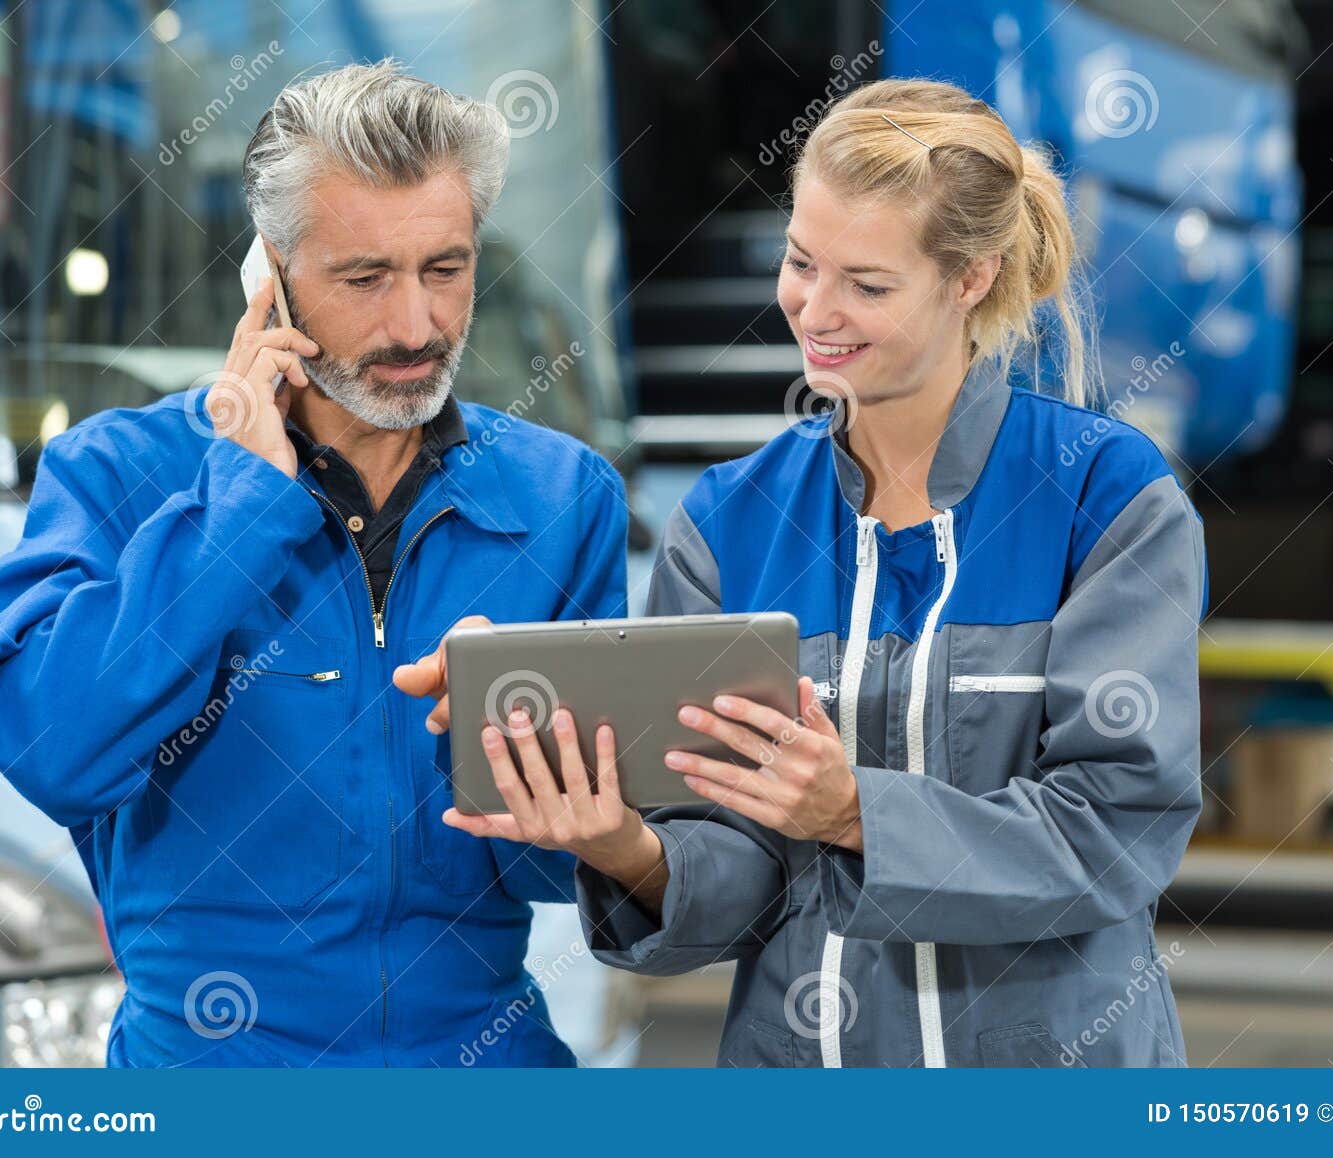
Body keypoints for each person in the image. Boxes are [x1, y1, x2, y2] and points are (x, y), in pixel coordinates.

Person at [446, 78, 1207, 1067]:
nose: (817, 309)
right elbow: (737, 865)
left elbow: (1113, 831)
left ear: (969, 278)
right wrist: (624, 848)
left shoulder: (1104, 501)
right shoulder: (728, 522)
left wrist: (853, 812)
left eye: (868, 283)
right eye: (801, 262)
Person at [0, 63, 625, 1067]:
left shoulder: (558, 494)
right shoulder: (118, 475)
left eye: (444, 269)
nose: (416, 327)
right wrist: (235, 512)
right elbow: (54, 749)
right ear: (266, 277)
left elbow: (560, 877)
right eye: (365, 279)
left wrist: (567, 803)